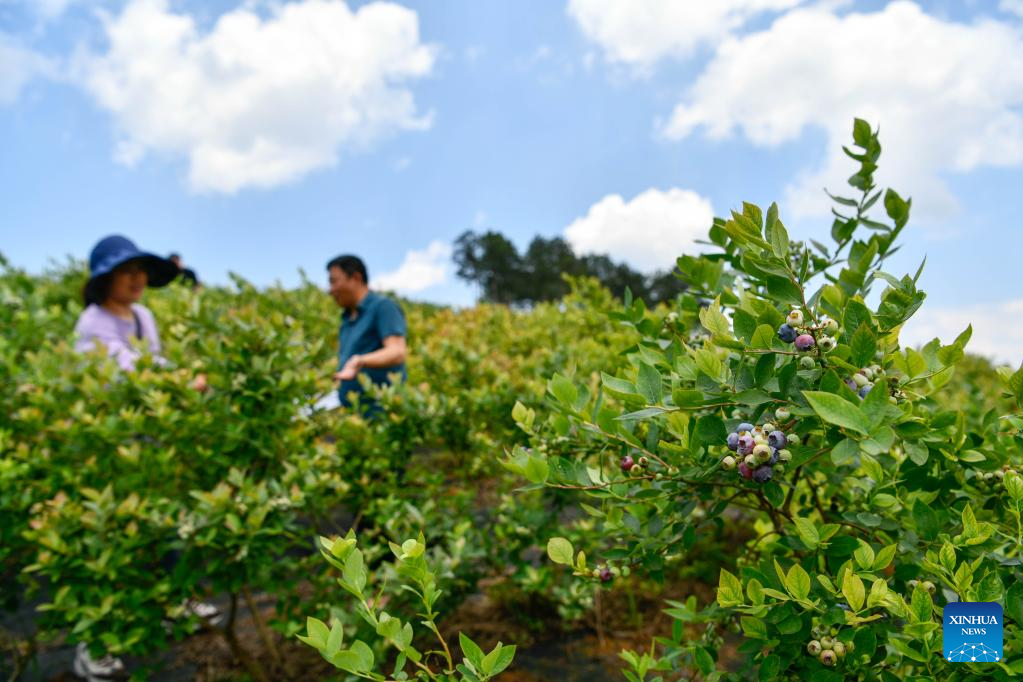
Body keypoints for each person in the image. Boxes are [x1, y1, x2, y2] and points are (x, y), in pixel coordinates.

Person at [71, 235, 215, 680]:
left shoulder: (144, 316)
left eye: (141, 271)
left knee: (170, 520)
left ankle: (178, 601)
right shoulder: (92, 323)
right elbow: (129, 373)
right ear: (105, 278)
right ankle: (91, 642)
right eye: (126, 271)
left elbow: (155, 363)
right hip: (113, 444)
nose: (137, 279)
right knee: (113, 537)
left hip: (149, 439)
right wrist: (183, 381)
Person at [327, 255, 407, 411]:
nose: (331, 290)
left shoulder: (383, 307)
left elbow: (397, 351)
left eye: (334, 281)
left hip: (378, 412)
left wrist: (359, 360)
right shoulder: (347, 318)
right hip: (351, 412)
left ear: (356, 278)